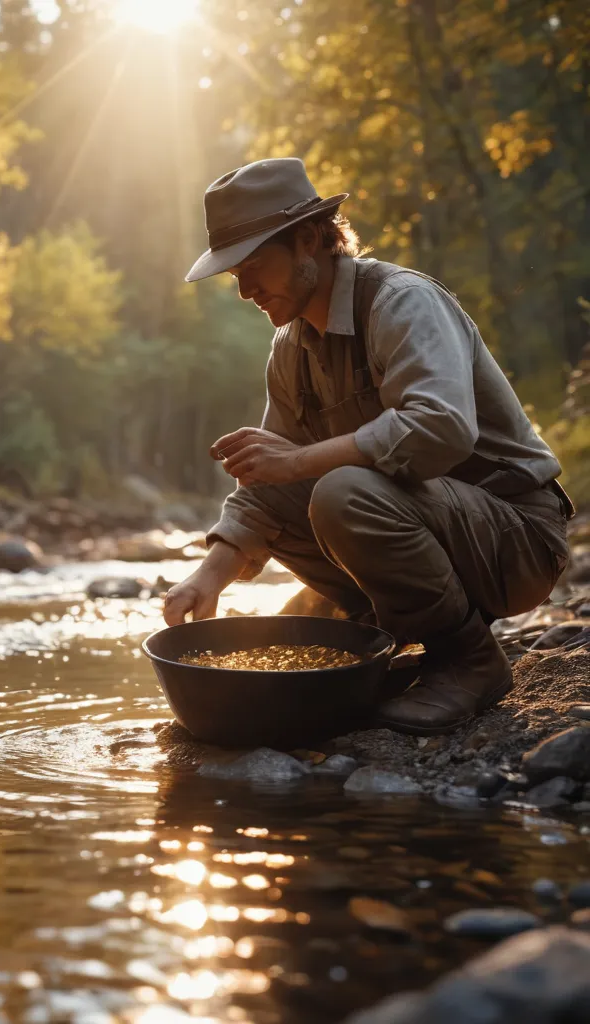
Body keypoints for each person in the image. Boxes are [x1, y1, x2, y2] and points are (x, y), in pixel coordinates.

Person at [164, 157, 573, 736]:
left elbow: (441, 429)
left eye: (253, 266)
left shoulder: (403, 303)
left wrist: (301, 461)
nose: (245, 290)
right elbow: (267, 490)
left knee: (342, 491)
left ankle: (470, 662)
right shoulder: (290, 347)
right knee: (304, 487)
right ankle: (397, 649)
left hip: (516, 539)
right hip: (437, 540)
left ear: (309, 240)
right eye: (234, 276)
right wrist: (207, 578)